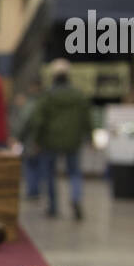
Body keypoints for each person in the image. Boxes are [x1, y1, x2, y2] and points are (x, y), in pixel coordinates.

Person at [28, 59, 92, 219]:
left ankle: (53, 206)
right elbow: (86, 118)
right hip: (73, 140)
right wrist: (90, 136)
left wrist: (36, 139)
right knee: (74, 172)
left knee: (50, 174)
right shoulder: (78, 95)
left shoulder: (47, 96)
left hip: (50, 140)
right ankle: (75, 198)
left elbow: (38, 120)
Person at [9, 78, 44, 199]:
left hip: (31, 140)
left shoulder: (31, 104)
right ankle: (36, 190)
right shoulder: (45, 101)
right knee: (39, 166)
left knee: (30, 165)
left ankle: (32, 191)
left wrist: (16, 136)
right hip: (43, 141)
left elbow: (24, 122)